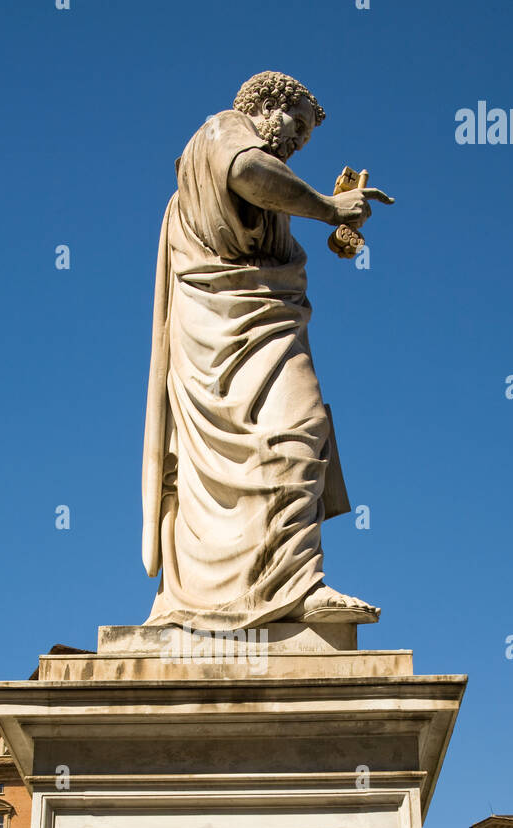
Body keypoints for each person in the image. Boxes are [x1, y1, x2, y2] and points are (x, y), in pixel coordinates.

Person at [142, 71, 393, 631]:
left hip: (269, 324)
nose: (297, 143)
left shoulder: (278, 193)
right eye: (296, 125)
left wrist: (330, 222)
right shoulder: (220, 134)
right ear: (265, 107)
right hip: (217, 334)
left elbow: (267, 192)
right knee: (241, 458)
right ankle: (222, 594)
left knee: (302, 428)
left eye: (305, 139)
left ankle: (296, 582)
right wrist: (329, 208)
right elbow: (248, 172)